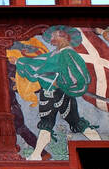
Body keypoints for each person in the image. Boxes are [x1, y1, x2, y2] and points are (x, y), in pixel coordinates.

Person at [14, 25, 103, 159]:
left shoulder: (68, 53)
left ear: (63, 37)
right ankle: (37, 154)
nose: (51, 38)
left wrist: (60, 83)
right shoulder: (56, 53)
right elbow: (40, 63)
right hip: (49, 93)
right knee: (57, 123)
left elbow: (78, 75)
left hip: (58, 93)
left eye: (54, 35)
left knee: (65, 122)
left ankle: (101, 145)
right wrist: (19, 61)